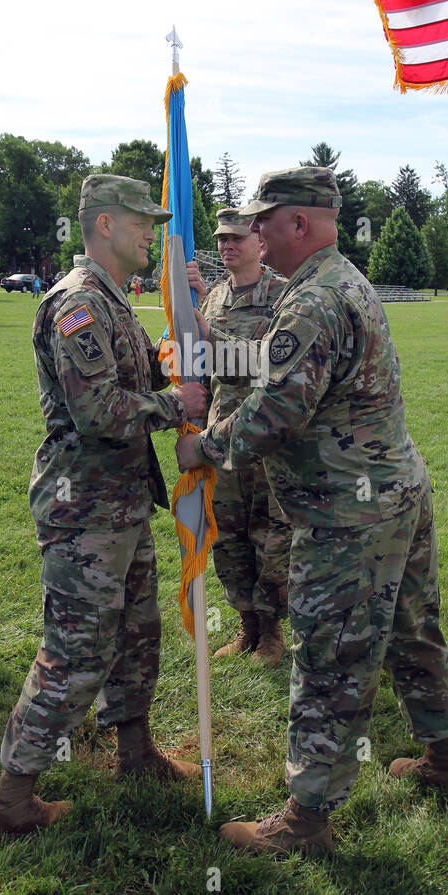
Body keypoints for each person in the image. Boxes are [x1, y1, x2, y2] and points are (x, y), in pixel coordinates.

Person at [178, 167, 448, 856]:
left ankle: (306, 820)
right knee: (412, 631)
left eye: (263, 221)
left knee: (330, 659)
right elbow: (284, 373)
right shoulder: (345, 282)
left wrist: (206, 445)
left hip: (349, 515)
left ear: (298, 225)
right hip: (397, 494)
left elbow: (278, 412)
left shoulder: (313, 300)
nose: (251, 233)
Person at [0, 174, 207, 845]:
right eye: (142, 221)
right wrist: (177, 406)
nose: (153, 233)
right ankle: (11, 800)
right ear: (104, 224)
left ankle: (134, 752)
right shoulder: (77, 306)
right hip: (85, 511)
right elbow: (99, 411)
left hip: (122, 500)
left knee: (138, 632)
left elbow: (137, 382)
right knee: (74, 652)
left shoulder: (113, 303)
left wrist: (189, 342)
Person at [195, 209, 290, 665]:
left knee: (271, 535)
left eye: (236, 237)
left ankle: (272, 632)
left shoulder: (282, 297)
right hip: (221, 436)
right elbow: (203, 362)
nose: (226, 245)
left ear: (258, 241)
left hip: (267, 437)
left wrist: (210, 337)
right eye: (220, 239)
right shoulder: (213, 298)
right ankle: (245, 624)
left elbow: (268, 365)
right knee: (227, 532)